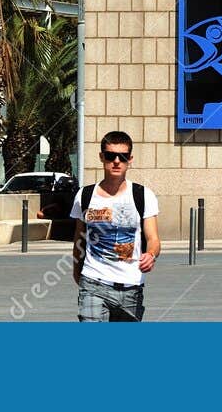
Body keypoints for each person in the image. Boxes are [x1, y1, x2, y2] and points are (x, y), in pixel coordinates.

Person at [70, 130, 161, 321]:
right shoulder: (85, 195)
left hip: (130, 287)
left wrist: (150, 255)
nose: (117, 161)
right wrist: (78, 272)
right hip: (93, 283)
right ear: (102, 157)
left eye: (123, 156)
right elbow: (79, 239)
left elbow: (153, 238)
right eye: (111, 156)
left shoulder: (143, 195)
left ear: (130, 159)